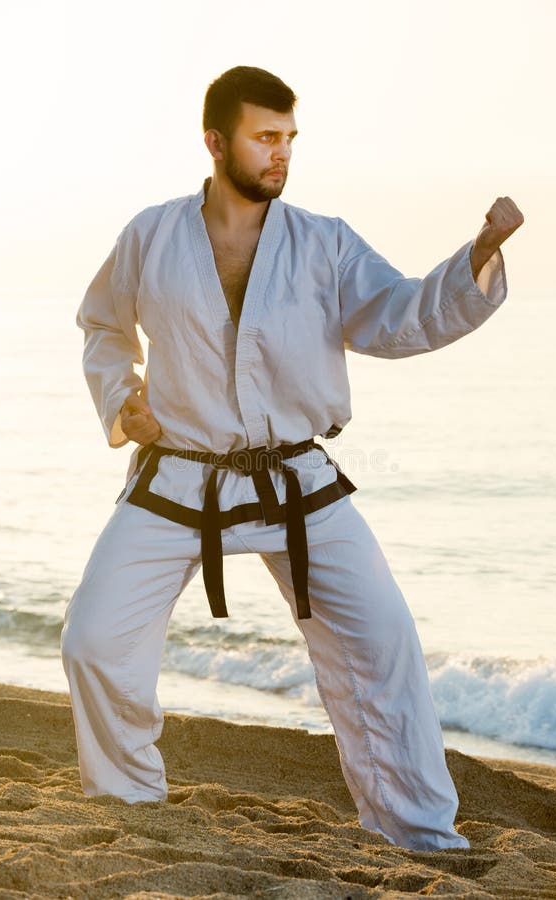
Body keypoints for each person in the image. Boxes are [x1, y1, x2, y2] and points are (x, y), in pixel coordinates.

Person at [61, 65, 523, 851]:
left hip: (298, 483)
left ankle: (416, 833)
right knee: (93, 639)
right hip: (179, 476)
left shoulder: (324, 241)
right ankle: (128, 809)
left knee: (382, 647)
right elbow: (103, 325)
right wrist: (121, 398)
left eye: (289, 139)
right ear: (216, 141)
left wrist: (475, 255)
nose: (281, 154)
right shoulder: (150, 234)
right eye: (265, 138)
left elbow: (397, 316)